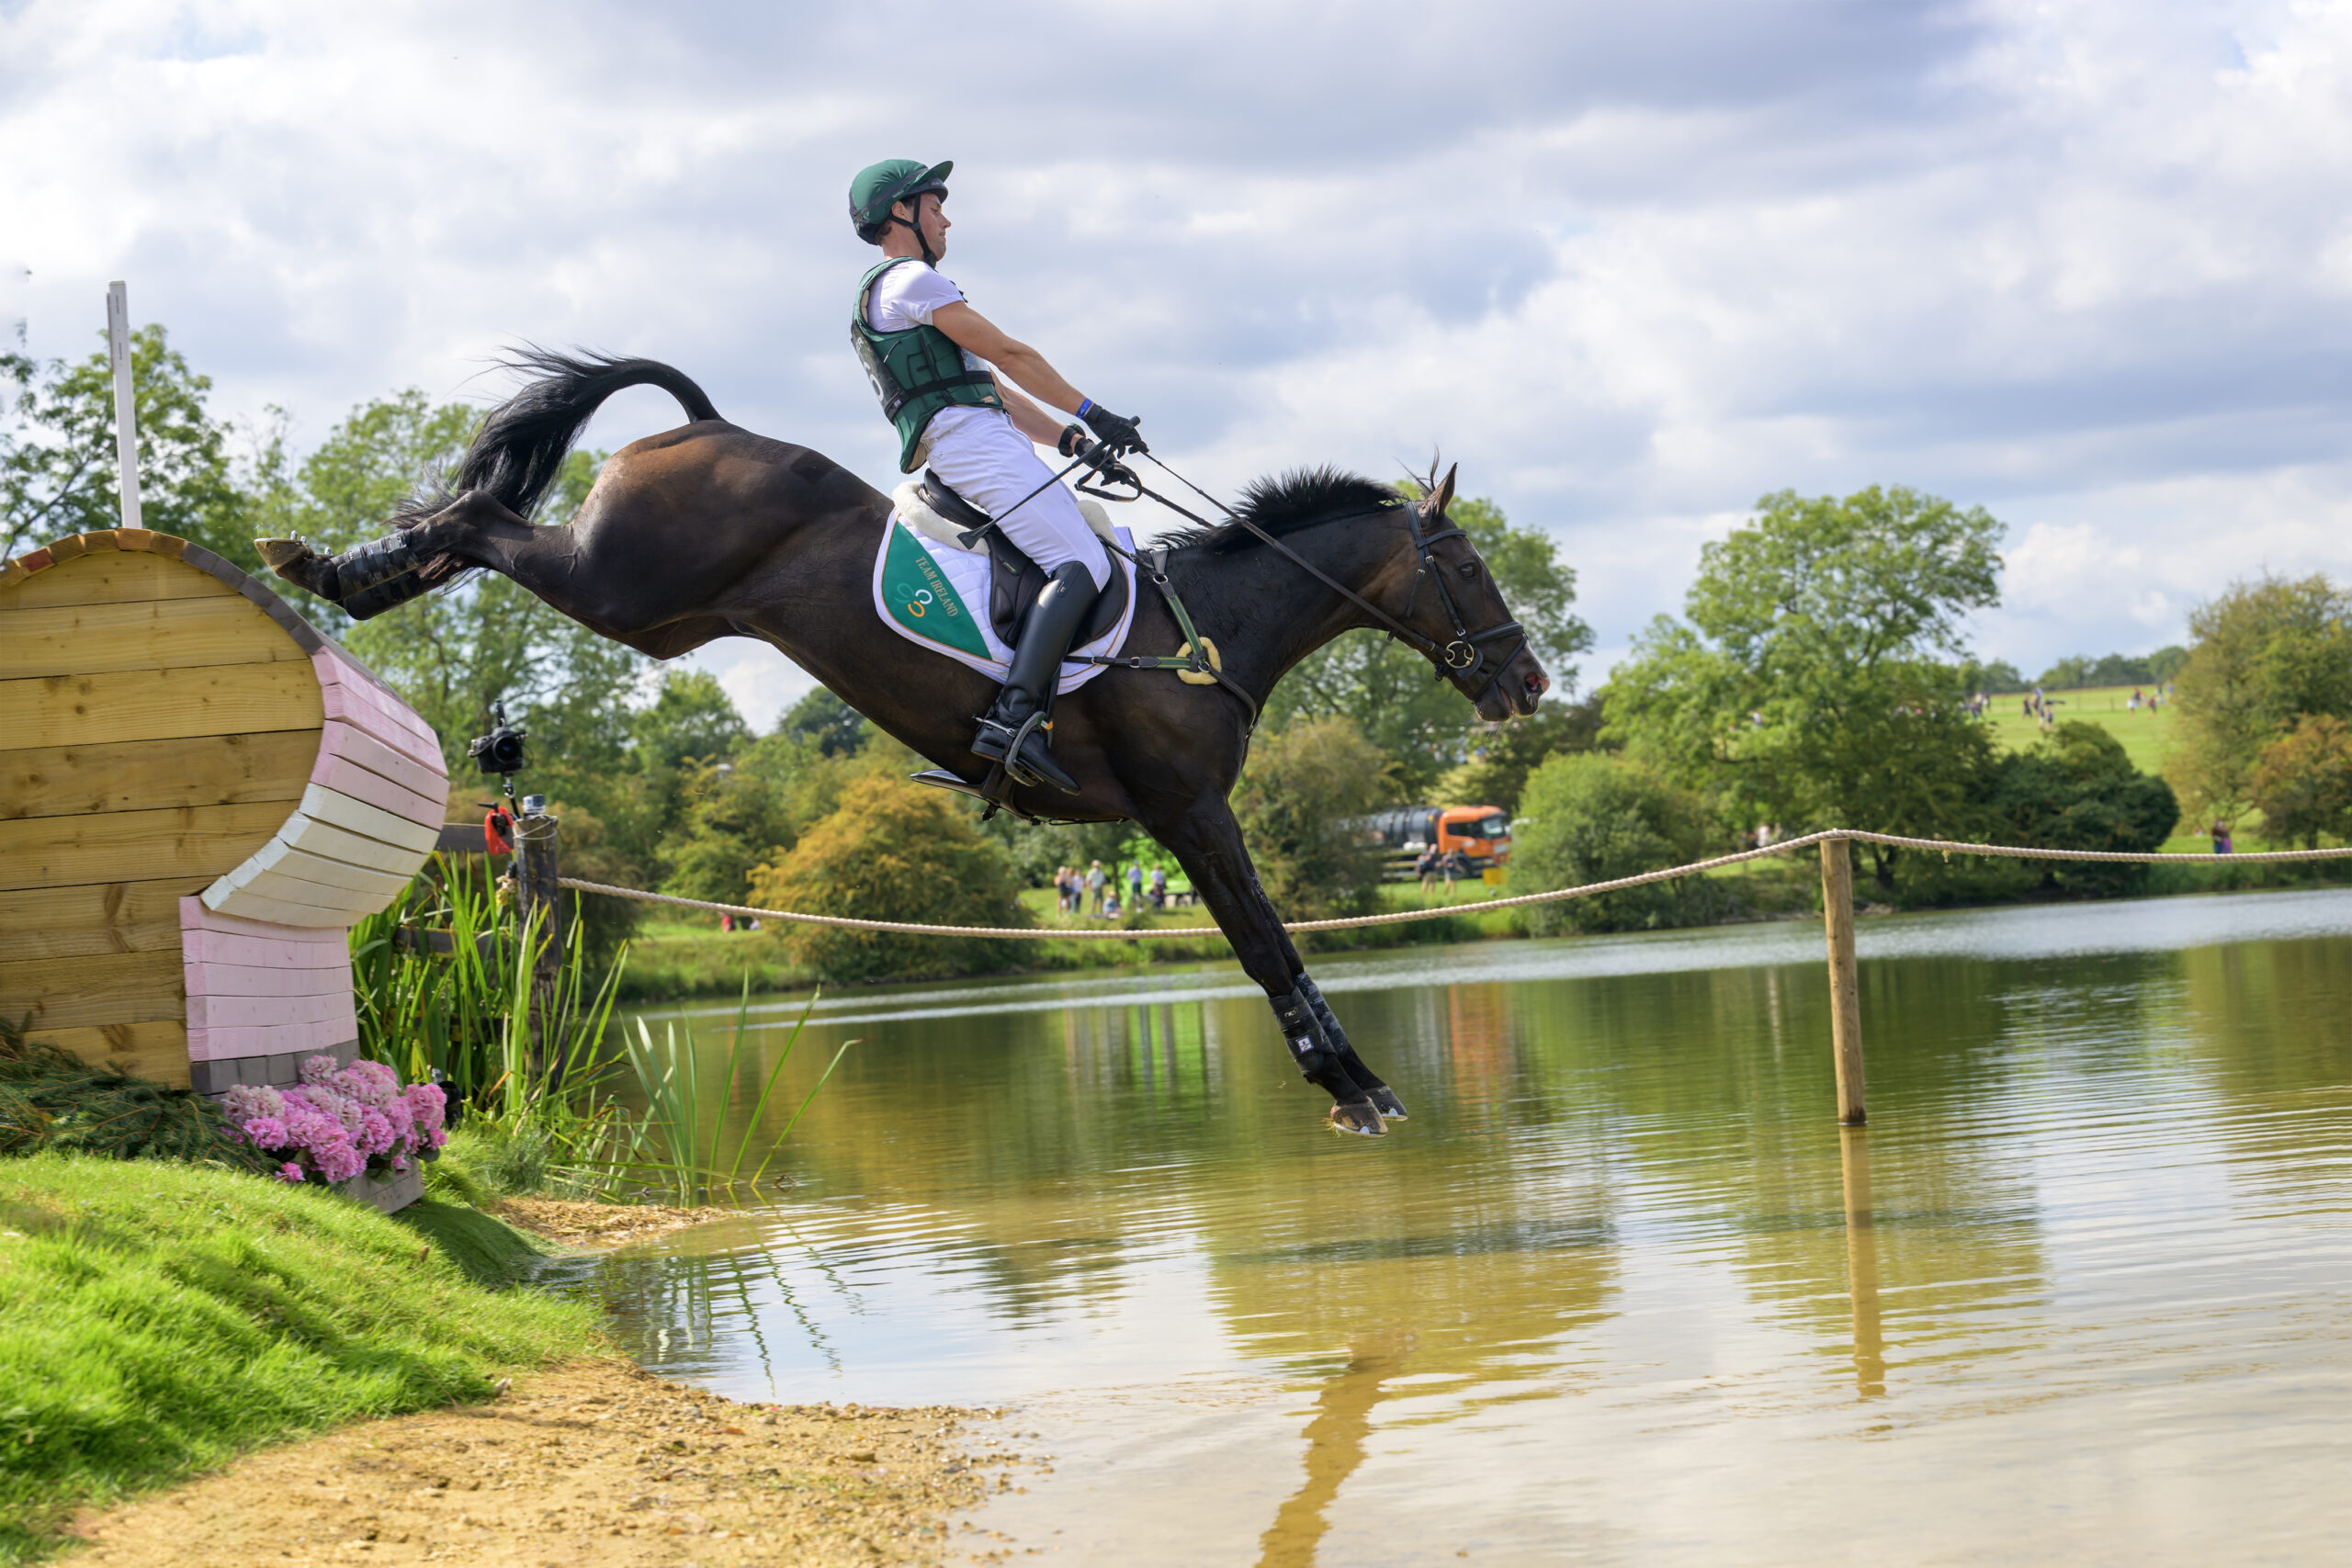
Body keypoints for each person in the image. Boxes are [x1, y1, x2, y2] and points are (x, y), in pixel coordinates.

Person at [848, 158, 1147, 795]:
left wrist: (1073, 440)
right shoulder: (909, 280)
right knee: (1082, 565)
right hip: (972, 446)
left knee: (1071, 558)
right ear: (900, 214)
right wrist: (1094, 412)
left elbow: (993, 389)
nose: (946, 217)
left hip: (983, 439)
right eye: (934, 206)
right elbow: (1010, 353)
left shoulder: (908, 294)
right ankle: (1014, 721)